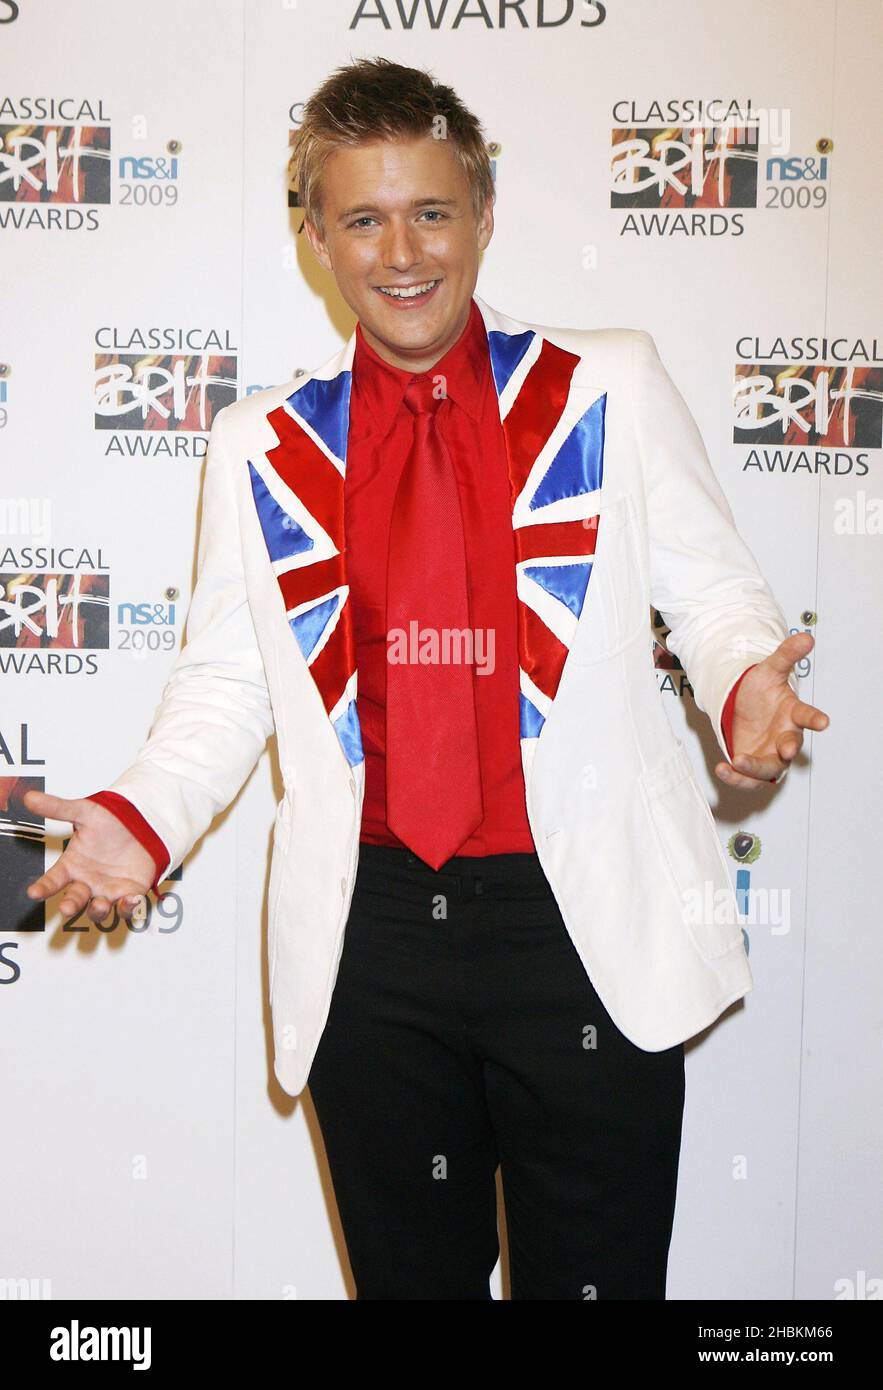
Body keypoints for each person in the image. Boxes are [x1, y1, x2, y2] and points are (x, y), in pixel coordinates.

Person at [23, 57, 830, 1300]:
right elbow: (229, 684)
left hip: (582, 931)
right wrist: (139, 822)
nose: (401, 250)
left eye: (431, 210)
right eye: (361, 217)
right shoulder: (261, 445)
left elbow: (716, 600)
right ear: (316, 238)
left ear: (484, 212)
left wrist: (742, 690)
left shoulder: (603, 383)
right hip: (374, 942)